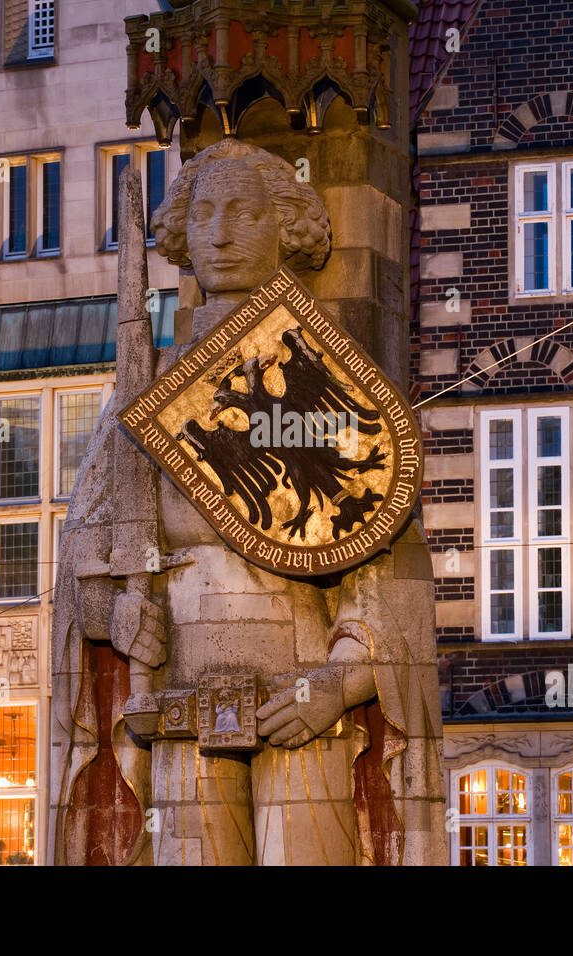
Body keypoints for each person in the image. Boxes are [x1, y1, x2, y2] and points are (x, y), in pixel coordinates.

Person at [53, 139, 445, 866]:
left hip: (301, 692)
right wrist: (114, 611)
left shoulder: (323, 376)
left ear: (285, 224)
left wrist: (340, 682)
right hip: (178, 698)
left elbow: (385, 562)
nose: (221, 234)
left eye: (244, 212)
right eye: (203, 214)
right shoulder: (150, 394)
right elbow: (87, 550)